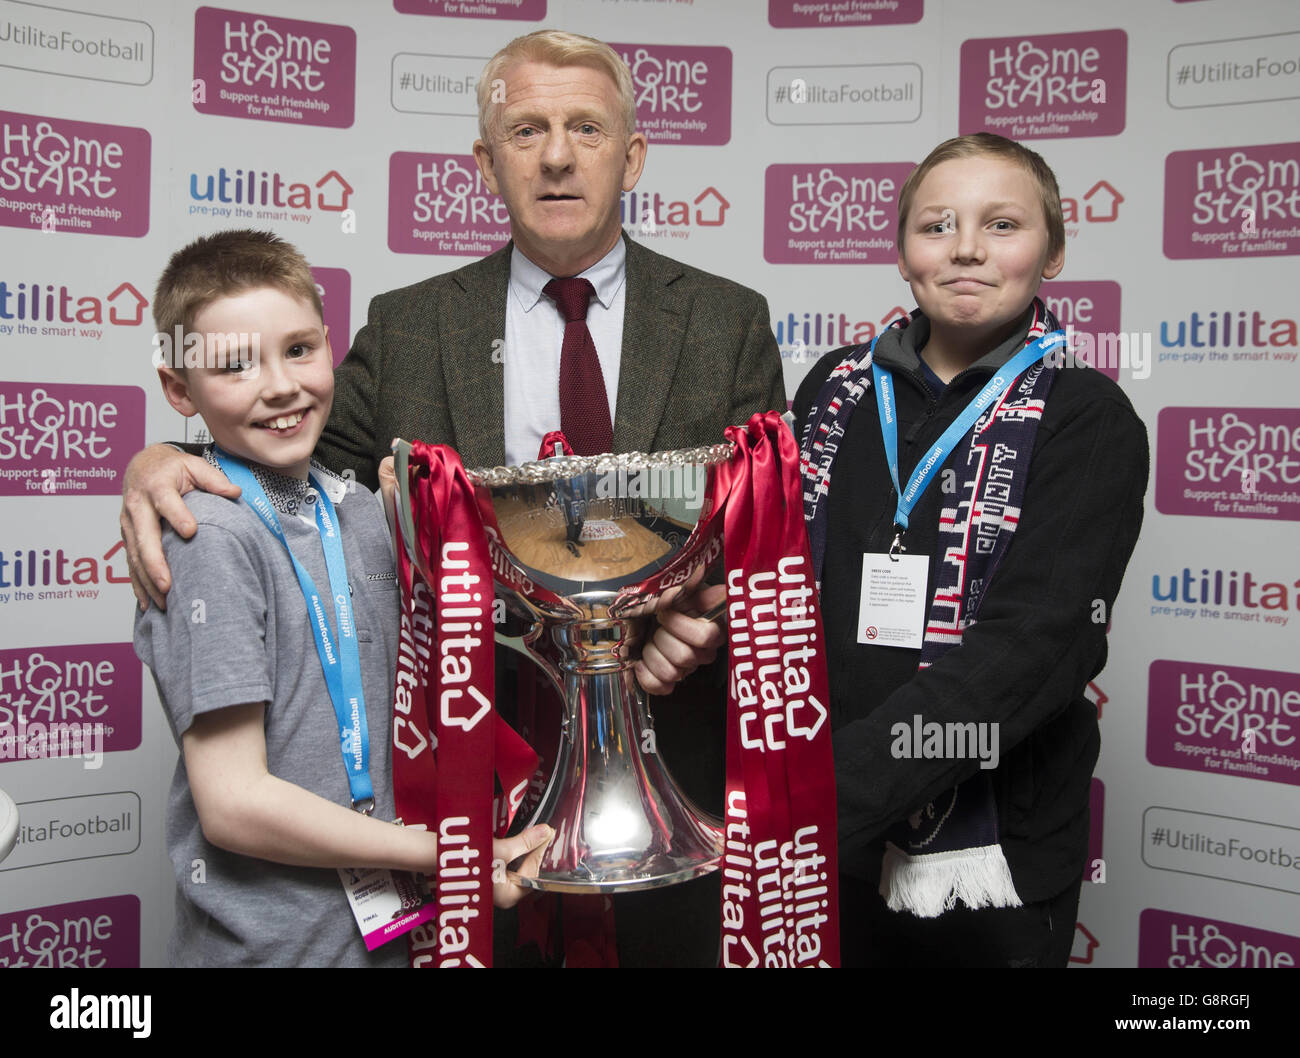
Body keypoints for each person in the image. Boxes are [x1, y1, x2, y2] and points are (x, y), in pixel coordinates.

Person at [121, 30, 785, 966]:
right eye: (525, 130)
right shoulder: (408, 324)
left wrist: (703, 614)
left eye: (586, 128)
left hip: (664, 767)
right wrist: (162, 458)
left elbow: (765, 528)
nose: (556, 155)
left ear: (632, 155)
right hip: (463, 768)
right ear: (484, 163)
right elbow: (288, 458)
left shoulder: (726, 320)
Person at [134, 230, 550, 966]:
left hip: (392, 935)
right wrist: (447, 855)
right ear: (178, 389)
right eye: (233, 364)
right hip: (273, 948)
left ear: (330, 346)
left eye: (298, 349)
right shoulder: (208, 538)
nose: (280, 385)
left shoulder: (356, 507)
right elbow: (232, 805)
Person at [791, 134, 1148, 967]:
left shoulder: (1087, 419)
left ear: (1052, 253)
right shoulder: (832, 388)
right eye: (937, 224)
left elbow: (1036, 648)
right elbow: (769, 578)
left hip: (987, 858)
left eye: (1003, 224)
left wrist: (825, 794)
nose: (966, 248)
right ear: (903, 253)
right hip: (817, 847)